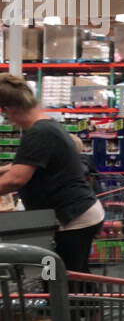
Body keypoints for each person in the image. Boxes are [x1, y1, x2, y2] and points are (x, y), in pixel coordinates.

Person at [0, 74, 105, 273]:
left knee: (59, 279)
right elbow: (26, 164)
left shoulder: (39, 133)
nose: (9, 121)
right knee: (73, 278)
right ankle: (80, 304)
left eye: (5, 115)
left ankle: (70, 304)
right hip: (77, 213)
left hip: (72, 218)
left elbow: (16, 179)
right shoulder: (47, 126)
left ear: (10, 109)